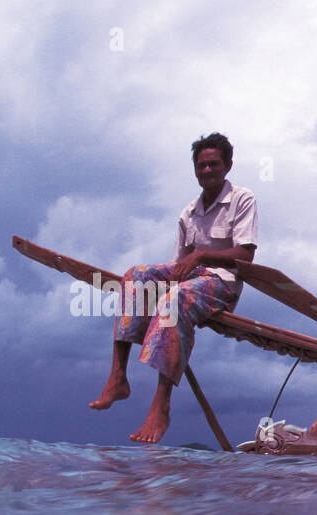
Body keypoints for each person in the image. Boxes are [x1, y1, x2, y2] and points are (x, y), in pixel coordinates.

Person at [89, 132, 258, 443]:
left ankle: (161, 406)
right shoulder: (189, 212)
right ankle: (118, 377)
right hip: (191, 279)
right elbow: (178, 264)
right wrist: (154, 289)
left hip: (223, 283)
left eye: (214, 164)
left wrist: (203, 255)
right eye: (201, 166)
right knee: (135, 275)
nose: (207, 170)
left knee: (174, 299)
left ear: (228, 166)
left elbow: (245, 255)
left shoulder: (242, 199)